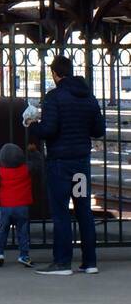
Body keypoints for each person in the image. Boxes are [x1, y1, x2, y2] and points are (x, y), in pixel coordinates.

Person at [32, 55, 104, 276]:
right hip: (81, 164)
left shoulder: (54, 97)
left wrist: (33, 124)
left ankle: (63, 262)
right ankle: (89, 262)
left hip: (60, 165)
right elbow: (98, 130)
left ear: (55, 74)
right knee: (83, 210)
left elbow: (49, 130)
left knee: (61, 211)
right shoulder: (88, 96)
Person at [0, 142, 32, 267]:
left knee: (3, 230)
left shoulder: (0, 172)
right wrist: (34, 152)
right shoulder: (26, 169)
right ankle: (24, 255)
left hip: (6, 206)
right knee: (23, 232)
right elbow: (38, 164)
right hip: (22, 206)